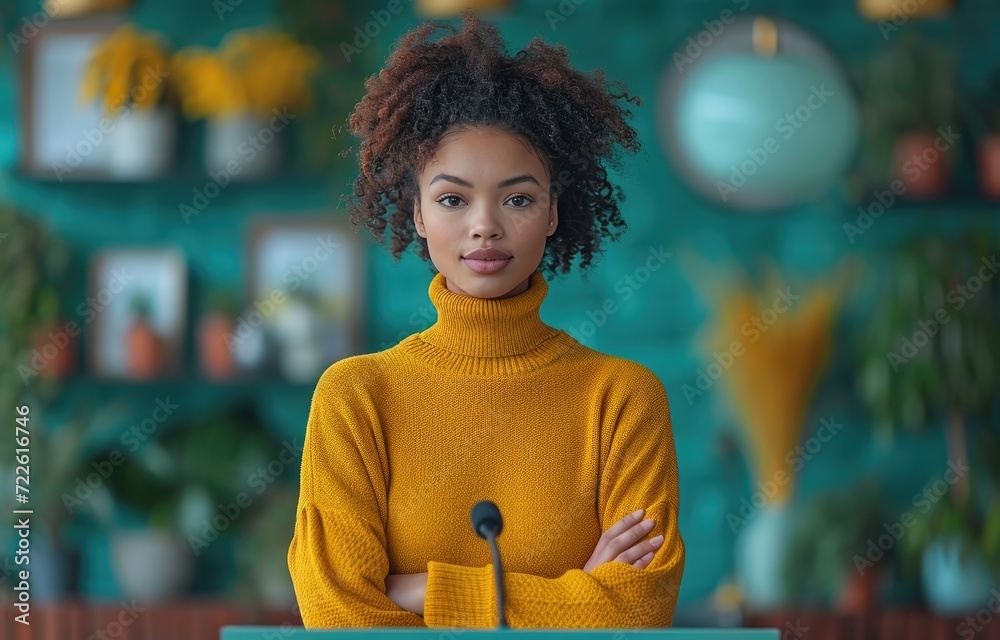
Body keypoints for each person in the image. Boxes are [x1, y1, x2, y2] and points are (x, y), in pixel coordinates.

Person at [287, 10, 684, 628]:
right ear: (416, 213)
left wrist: (418, 591)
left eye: (518, 198)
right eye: (452, 198)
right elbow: (337, 614)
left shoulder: (622, 400)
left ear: (554, 212)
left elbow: (638, 609)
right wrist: (573, 595)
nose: (485, 225)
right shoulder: (357, 398)